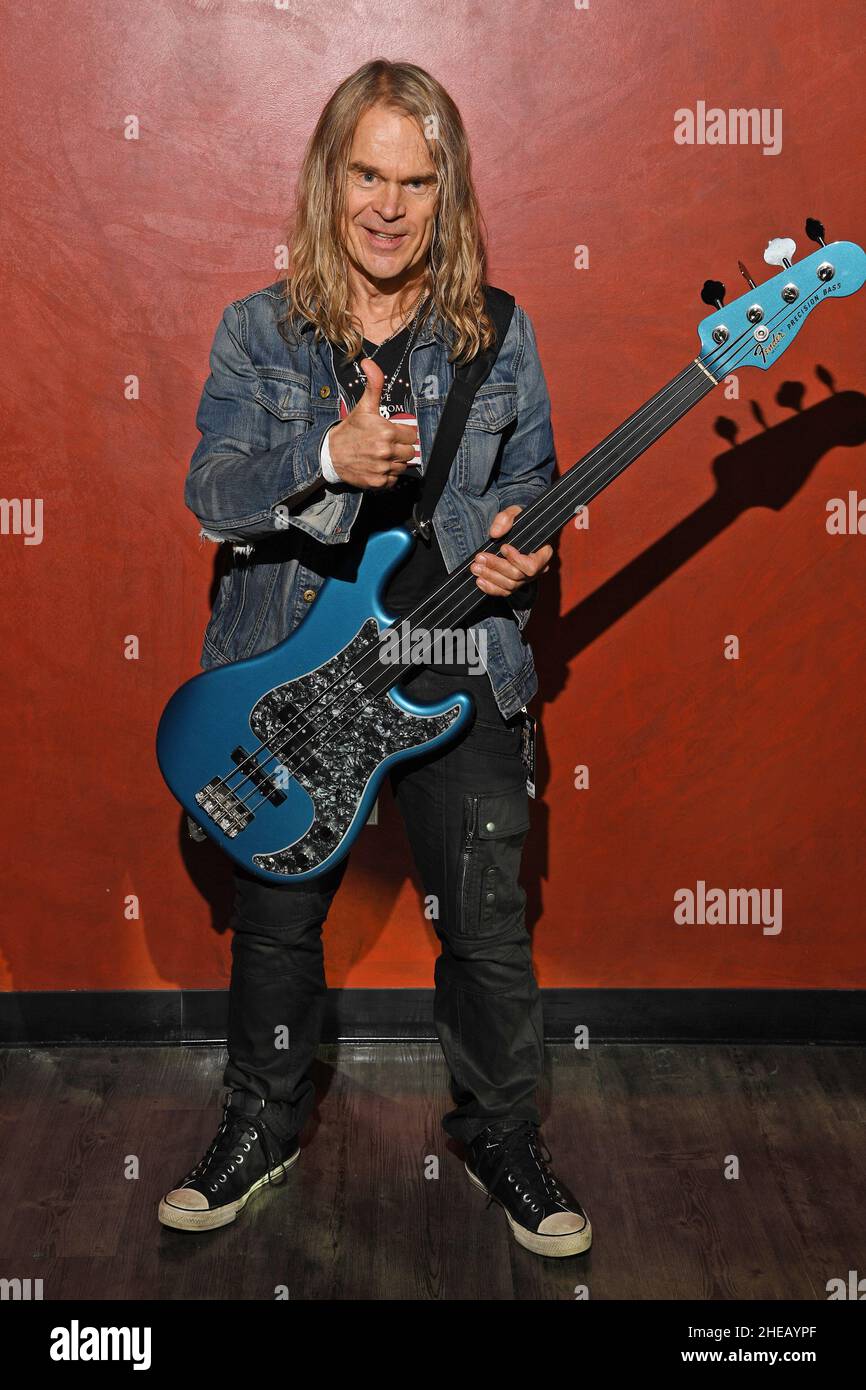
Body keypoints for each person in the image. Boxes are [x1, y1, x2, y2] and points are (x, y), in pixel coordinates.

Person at [158, 58, 591, 1259]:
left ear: (444, 194)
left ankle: (501, 1132)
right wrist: (320, 458)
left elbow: (531, 485)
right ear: (327, 177)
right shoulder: (260, 330)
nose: (389, 207)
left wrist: (520, 549)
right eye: (367, 175)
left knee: (488, 928)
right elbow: (210, 495)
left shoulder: (496, 332)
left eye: (416, 181)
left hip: (456, 657)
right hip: (298, 664)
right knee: (279, 917)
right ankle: (261, 1123)